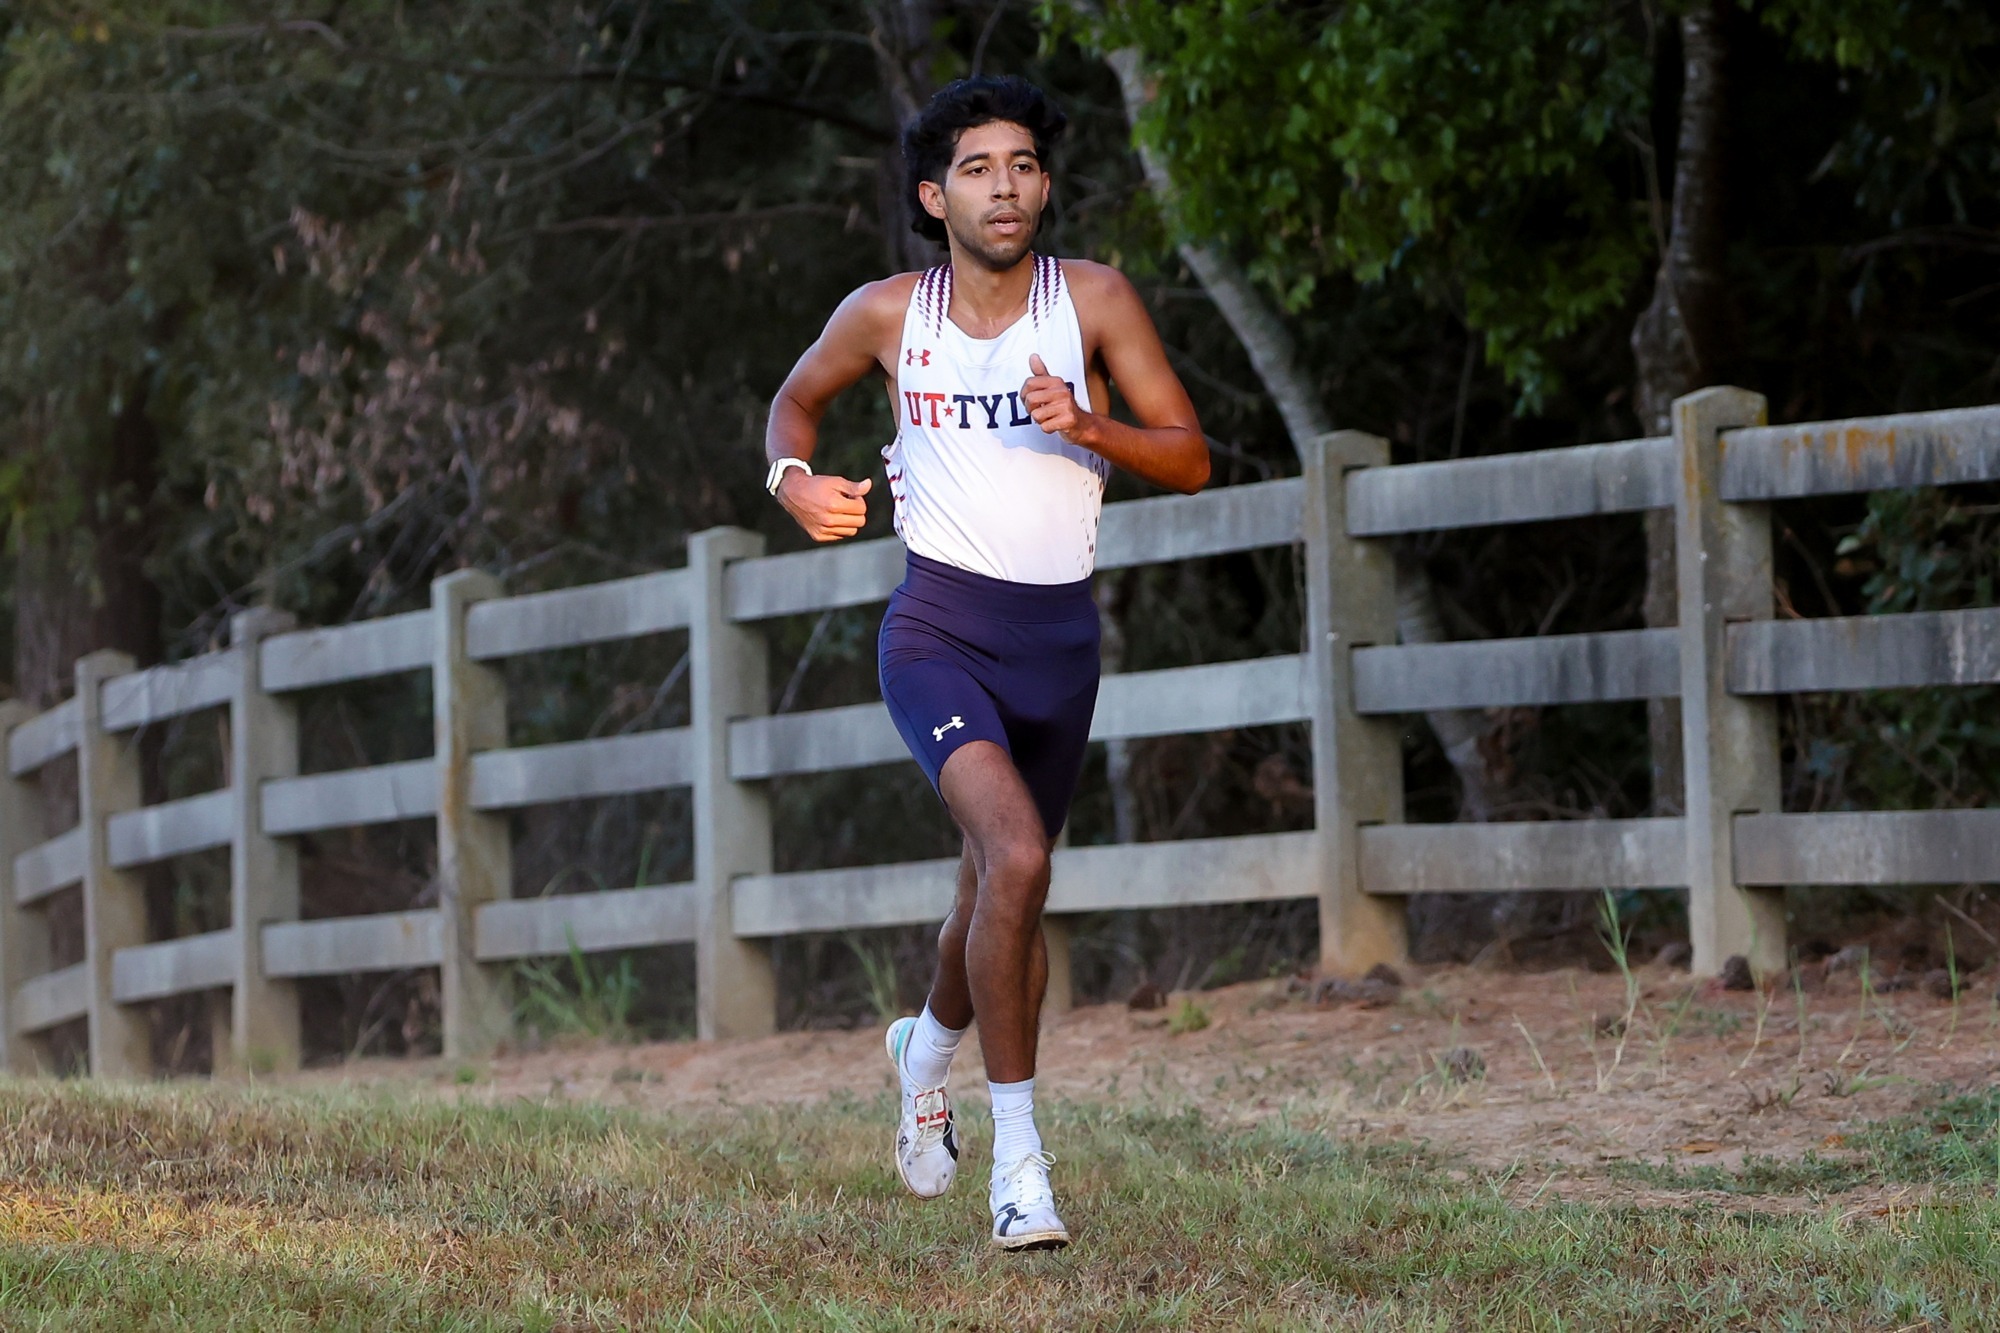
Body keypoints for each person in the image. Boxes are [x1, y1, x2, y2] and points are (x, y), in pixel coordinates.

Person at [763, 75, 1207, 1251]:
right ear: (932, 194)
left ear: (1045, 184)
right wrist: (792, 481)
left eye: (1020, 165)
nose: (1002, 186)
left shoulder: (1094, 301)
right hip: (937, 633)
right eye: (974, 168)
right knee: (1015, 860)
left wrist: (1091, 425)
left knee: (988, 890)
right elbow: (793, 403)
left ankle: (925, 1051)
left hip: (1059, 643)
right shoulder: (885, 314)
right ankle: (1020, 1167)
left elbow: (1190, 456)